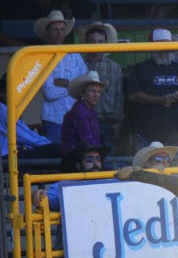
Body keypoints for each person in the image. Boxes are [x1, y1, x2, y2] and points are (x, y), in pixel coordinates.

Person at [127, 28, 178, 149]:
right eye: (160, 46)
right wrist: (160, 100)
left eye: (167, 46)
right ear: (152, 47)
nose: (164, 50)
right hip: (146, 133)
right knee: (146, 167)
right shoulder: (140, 68)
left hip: (176, 133)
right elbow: (133, 95)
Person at [34, 10, 88, 143]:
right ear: (47, 33)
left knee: (77, 156)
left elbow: (85, 85)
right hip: (53, 119)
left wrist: (66, 84)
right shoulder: (41, 56)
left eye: (62, 29)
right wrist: (73, 86)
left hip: (76, 117)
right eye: (55, 30)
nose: (59, 33)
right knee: (57, 157)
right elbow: (49, 93)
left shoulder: (74, 55)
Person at [79, 21, 124, 153]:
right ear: (87, 42)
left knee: (107, 159)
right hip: (82, 120)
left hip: (106, 121)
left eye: (100, 41)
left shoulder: (114, 67)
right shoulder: (77, 63)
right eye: (93, 41)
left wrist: (118, 122)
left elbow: (118, 96)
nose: (97, 45)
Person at [0, 74, 61, 163]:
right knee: (59, 150)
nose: (17, 96)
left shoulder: (6, 108)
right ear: (2, 93)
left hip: (13, 153)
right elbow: (27, 137)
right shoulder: (4, 110)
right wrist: (51, 146)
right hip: (7, 157)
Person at [39, 144, 109, 211]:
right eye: (89, 160)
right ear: (78, 165)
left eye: (98, 159)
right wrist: (40, 195)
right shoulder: (67, 184)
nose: (96, 164)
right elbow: (47, 198)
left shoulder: (109, 181)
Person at [61, 71, 105, 160]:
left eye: (99, 92)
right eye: (92, 91)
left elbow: (94, 139)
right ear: (83, 93)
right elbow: (87, 139)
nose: (96, 95)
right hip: (76, 158)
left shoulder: (91, 111)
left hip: (87, 156)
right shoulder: (79, 111)